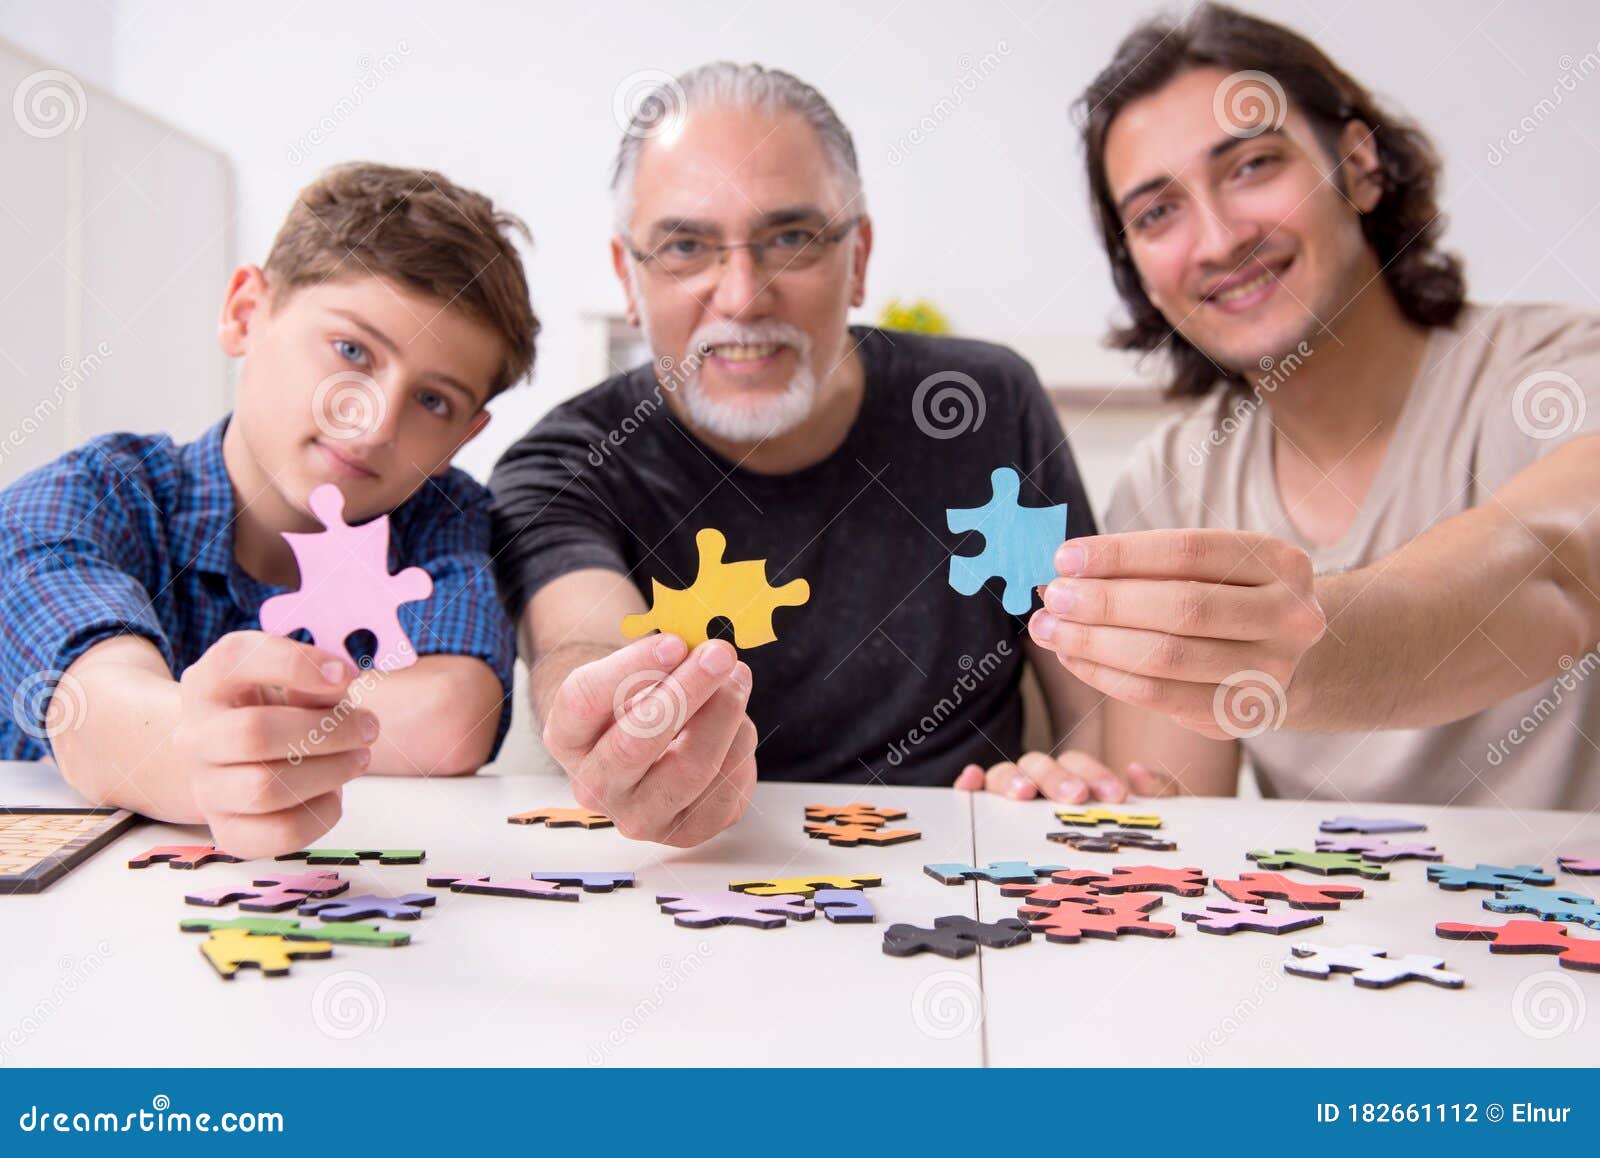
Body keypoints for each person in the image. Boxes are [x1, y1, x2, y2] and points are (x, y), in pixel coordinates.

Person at [490, 63, 1153, 849]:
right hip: (697, 875)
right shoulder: (563, 463)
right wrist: (611, 719)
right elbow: (581, 644)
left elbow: (1105, 709)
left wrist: (1073, 787)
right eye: (684, 245)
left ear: (859, 257)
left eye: (792, 239)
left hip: (971, 880)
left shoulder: (986, 405)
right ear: (627, 279)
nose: (740, 295)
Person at [1029, 3, 1600, 806]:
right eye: (1158, 212)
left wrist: (1294, 646)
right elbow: (1177, 817)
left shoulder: (1558, 376)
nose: (1222, 238)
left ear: (1359, 166)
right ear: (1141, 273)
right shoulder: (1175, 479)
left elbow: (1558, 575)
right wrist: (1079, 805)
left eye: (1255, 165)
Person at [0, 163, 537, 856]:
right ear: (245, 313)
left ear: (461, 440)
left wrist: (248, 732)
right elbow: (96, 710)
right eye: (351, 350)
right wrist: (188, 747)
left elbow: (446, 716)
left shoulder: (444, 515)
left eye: (433, 401)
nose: (374, 424)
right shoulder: (86, 497)